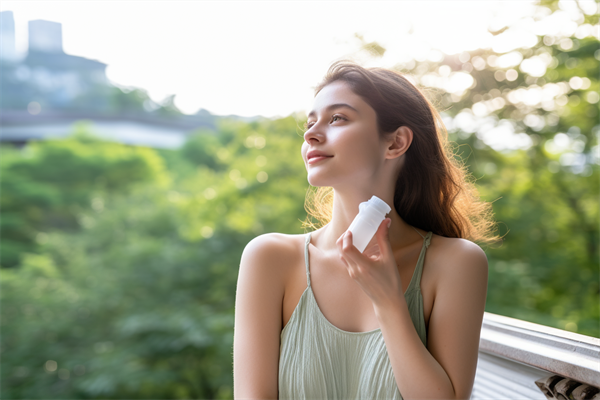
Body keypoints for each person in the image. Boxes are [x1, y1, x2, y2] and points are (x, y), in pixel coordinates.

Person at [233, 61, 496, 399]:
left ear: (396, 143)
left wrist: (389, 302)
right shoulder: (269, 258)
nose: (310, 134)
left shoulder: (456, 263)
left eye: (337, 118)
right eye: (310, 123)